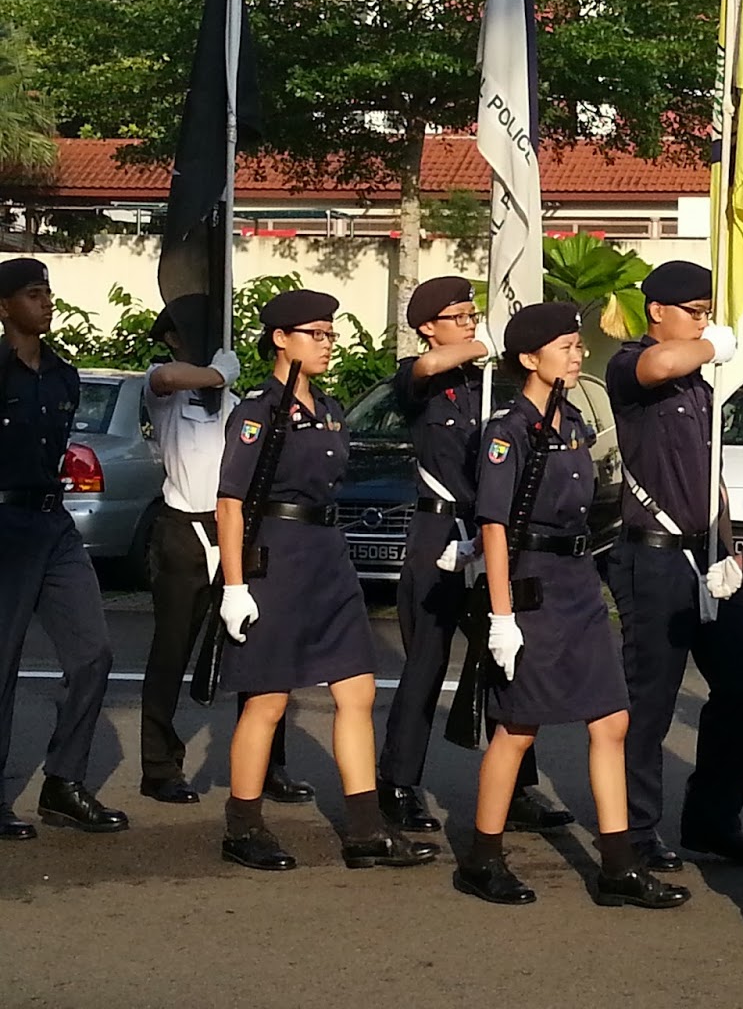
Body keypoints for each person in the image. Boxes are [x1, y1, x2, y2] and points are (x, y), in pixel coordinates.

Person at [453, 302, 689, 910]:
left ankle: (618, 866)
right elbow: (495, 526)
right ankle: (482, 858)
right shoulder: (508, 432)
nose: (578, 354)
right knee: (517, 728)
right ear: (530, 359)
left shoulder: (575, 421)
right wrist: (501, 615)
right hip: (531, 585)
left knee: (611, 719)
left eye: (578, 345)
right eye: (565, 347)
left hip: (579, 583)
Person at [216, 289, 437, 873]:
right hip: (277, 555)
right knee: (268, 699)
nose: (327, 343)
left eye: (330, 333)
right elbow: (231, 502)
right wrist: (235, 586)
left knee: (357, 690)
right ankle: (243, 826)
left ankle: (365, 830)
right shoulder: (258, 411)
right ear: (280, 340)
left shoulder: (331, 409)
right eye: (315, 333)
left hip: (328, 556)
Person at [376, 275, 571, 836]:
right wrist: (482, 343)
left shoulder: (489, 386)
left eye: (471, 315)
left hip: (490, 532)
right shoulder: (418, 379)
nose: (467, 324)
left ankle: (517, 788)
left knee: (505, 659)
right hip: (438, 533)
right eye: (457, 317)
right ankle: (397, 783)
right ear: (427, 327)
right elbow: (427, 366)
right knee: (426, 661)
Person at [604, 260, 743, 871]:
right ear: (657, 311)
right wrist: (709, 345)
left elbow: (709, 476)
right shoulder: (632, 366)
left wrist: (730, 555)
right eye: (694, 313)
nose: (703, 324)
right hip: (653, 556)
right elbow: (660, 364)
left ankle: (713, 818)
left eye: (708, 314)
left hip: (707, 556)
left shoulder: (698, 386)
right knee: (651, 700)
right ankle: (634, 828)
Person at [141, 304, 313, 806]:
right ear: (172, 340)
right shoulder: (165, 388)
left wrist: (225, 382)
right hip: (184, 530)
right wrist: (217, 373)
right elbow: (167, 378)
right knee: (171, 652)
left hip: (237, 528)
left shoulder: (240, 401)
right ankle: (159, 767)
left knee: (258, 652)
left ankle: (267, 764)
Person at [0, 257, 124, 840]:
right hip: (4, 524)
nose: (46, 303)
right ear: (5, 307)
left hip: (53, 525)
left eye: (47, 293)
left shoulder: (63, 375)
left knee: (93, 652)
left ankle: (63, 783)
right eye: (33, 294)